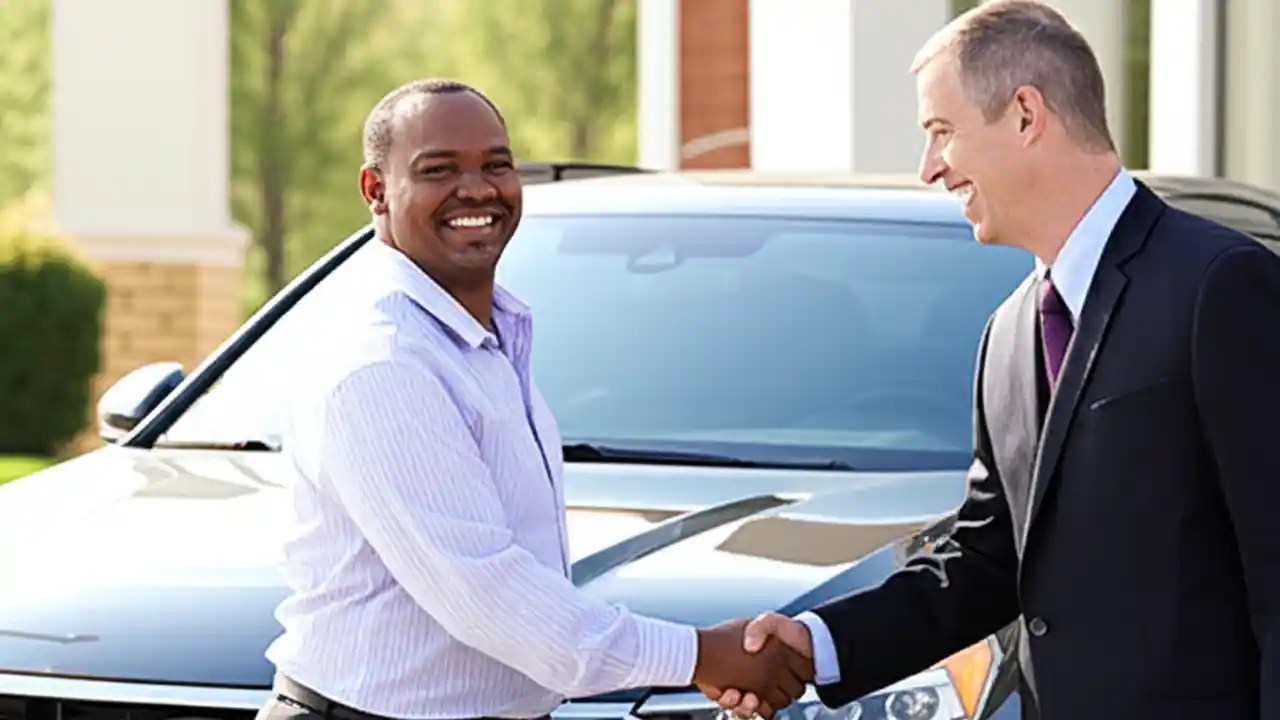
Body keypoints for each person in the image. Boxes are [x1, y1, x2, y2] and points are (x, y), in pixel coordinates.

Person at [714, 2, 1280, 718]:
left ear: (1024, 115)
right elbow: (987, 561)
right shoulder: (1007, 334)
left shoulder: (1220, 284)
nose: (929, 168)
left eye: (941, 132)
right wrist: (815, 640)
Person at [256, 78, 811, 720]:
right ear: (375, 190)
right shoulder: (383, 359)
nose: (478, 189)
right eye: (439, 169)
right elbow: (486, 591)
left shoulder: (488, 339)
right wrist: (700, 656)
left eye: (496, 164)